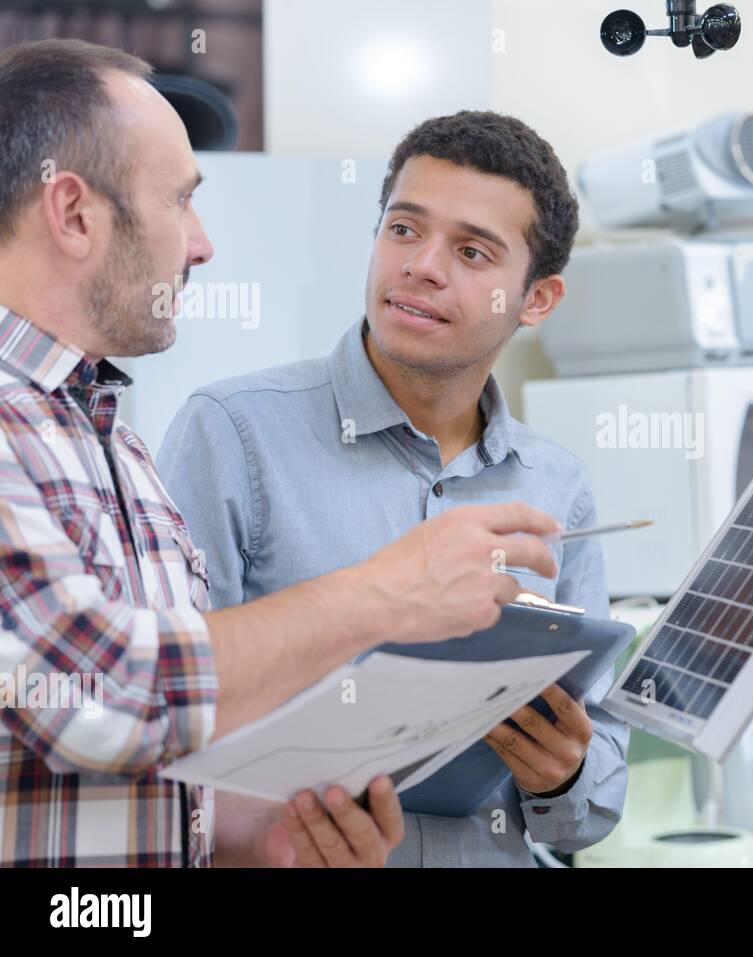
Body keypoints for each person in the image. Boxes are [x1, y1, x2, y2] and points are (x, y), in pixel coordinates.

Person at [0, 38, 559, 867]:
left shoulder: (107, 431)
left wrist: (256, 837)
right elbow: (105, 696)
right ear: (75, 213)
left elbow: (149, 749)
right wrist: (388, 593)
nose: (201, 244)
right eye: (180, 201)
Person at [158, 111, 629, 867]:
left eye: (472, 251)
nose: (423, 266)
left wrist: (566, 773)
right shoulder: (230, 433)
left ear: (535, 300)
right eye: (404, 230)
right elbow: (157, 708)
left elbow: (587, 812)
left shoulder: (557, 483)